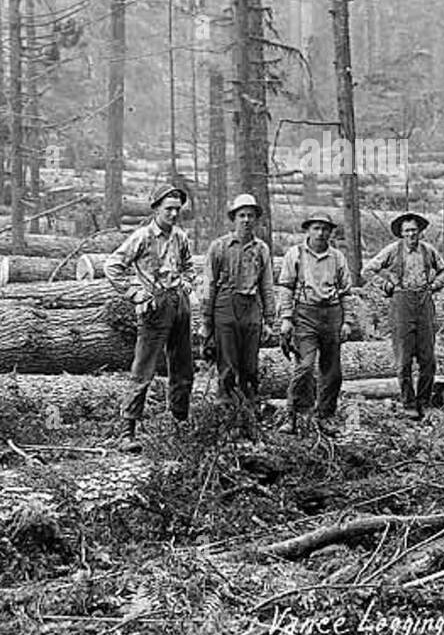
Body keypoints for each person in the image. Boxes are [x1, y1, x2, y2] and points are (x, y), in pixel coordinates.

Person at [104, 185, 196, 451]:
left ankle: (179, 425)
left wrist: (188, 283)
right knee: (143, 369)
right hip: (154, 307)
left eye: (177, 209)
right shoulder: (143, 237)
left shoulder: (180, 237)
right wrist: (135, 293)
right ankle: (127, 432)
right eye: (168, 209)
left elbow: (189, 266)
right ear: (156, 209)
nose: (173, 214)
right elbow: (113, 265)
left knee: (182, 367)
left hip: (179, 304)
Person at [277, 213, 352, 436]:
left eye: (325, 229)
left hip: (332, 314)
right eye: (316, 228)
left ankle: (325, 416)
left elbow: (346, 291)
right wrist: (286, 319)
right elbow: (286, 286)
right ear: (308, 230)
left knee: (333, 371)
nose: (320, 233)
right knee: (305, 366)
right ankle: (293, 415)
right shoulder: (296, 254)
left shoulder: (337, 257)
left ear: (331, 232)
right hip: (305, 314)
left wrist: (347, 321)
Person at [365, 211, 444, 420]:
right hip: (401, 302)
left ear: (420, 232)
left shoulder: (428, 251)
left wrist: (435, 285)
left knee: (428, 358)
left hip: (424, 302)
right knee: (403, 359)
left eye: (414, 230)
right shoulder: (392, 251)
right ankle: (408, 402)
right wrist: (385, 285)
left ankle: (424, 401)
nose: (411, 234)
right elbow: (368, 270)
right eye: (407, 231)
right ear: (401, 234)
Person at [202, 192, 276, 416]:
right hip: (225, 305)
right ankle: (226, 413)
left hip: (251, 308)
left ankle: (249, 413)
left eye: (250, 215)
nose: (246, 220)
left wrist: (270, 320)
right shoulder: (219, 247)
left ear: (256, 219)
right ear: (234, 218)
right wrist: (206, 321)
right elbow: (209, 284)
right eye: (241, 215)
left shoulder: (261, 249)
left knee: (250, 365)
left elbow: (267, 286)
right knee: (227, 364)